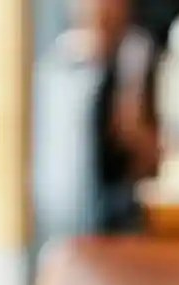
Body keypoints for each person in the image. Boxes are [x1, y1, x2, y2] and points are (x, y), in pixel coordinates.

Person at [36, 0, 157, 245]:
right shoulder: (62, 61)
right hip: (67, 206)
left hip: (122, 208)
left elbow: (135, 137)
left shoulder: (136, 53)